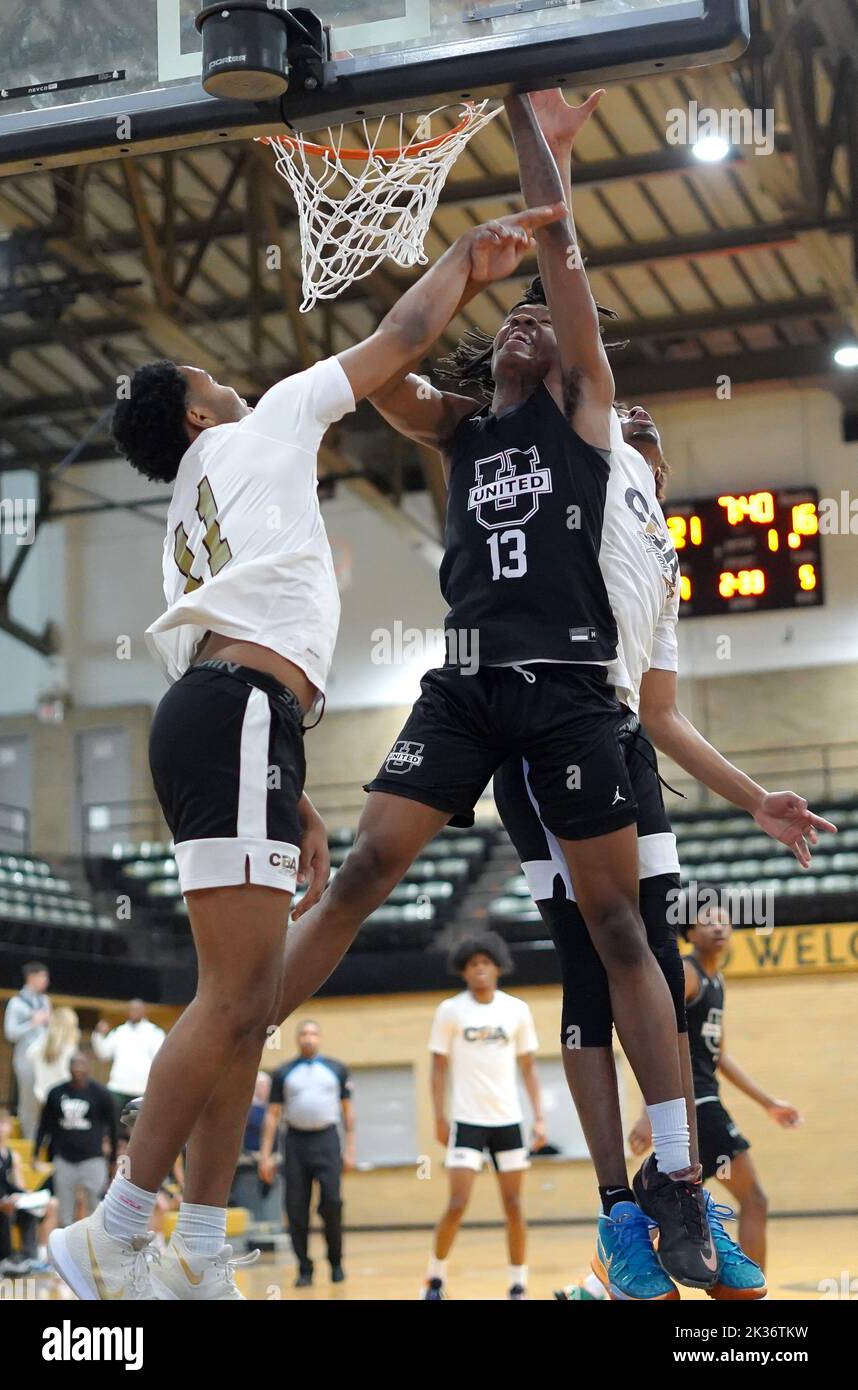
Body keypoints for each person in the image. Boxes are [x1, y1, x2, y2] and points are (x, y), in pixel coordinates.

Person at [47, 203, 557, 1302]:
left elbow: (231, 655)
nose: (230, 380)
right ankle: (111, 1229)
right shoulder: (264, 422)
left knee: (244, 1007)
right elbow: (400, 340)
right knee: (235, 1002)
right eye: (210, 376)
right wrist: (466, 260)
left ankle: (202, 1253)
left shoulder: (191, 503)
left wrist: (297, 800)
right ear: (196, 410)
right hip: (232, 717)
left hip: (232, 719)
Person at [267, 88, 720, 1288]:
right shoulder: (458, 426)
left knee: (619, 927)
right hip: (466, 687)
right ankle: (247, 1020)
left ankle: (672, 1178)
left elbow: (562, 258)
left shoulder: (585, 415)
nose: (531, 323)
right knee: (365, 867)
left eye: (541, 320)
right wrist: (456, 274)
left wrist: (536, 144)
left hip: (570, 687)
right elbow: (381, 372)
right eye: (510, 319)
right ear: (488, 347)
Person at [486, 88, 834, 1302]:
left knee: (657, 974)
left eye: (640, 415)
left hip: (623, 736)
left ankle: (671, 1195)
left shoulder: (660, 544)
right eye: (610, 399)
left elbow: (669, 710)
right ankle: (623, 1216)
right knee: (599, 961)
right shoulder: (574, 458)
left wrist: (755, 801)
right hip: (541, 719)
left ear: (660, 456)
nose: (623, 406)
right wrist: (553, 168)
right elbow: (567, 281)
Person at [628, 904, 801, 1272]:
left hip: (702, 1103)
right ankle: (751, 1289)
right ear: (689, 934)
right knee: (754, 1199)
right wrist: (647, 1112)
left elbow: (719, 1055)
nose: (719, 927)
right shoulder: (687, 974)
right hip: (697, 1106)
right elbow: (654, 1040)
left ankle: (594, 1286)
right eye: (708, 922)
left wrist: (768, 1103)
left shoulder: (716, 982)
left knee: (669, 1216)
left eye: (724, 921)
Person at [424, 935, 544, 1301]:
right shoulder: (450, 1010)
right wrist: (439, 1117)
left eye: (485, 962)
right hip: (467, 1122)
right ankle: (434, 1279)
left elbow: (528, 1069)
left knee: (514, 1205)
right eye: (472, 963)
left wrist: (539, 1117)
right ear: (463, 970)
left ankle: (518, 1284)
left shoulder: (517, 1010)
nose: (479, 968)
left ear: (497, 966)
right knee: (458, 1204)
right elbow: (437, 1068)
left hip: (509, 1122)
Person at [258, 1020, 354, 1287]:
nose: (308, 1038)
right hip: (296, 1143)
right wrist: (266, 1155)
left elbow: (348, 1112)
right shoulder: (284, 1072)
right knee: (296, 1208)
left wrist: (351, 1150)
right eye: (303, 1034)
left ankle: (335, 1262)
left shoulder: (336, 1069)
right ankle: (304, 1268)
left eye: (313, 1033)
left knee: (332, 1203)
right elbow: (272, 1115)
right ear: (297, 1039)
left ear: (319, 1038)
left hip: (327, 1140)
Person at [35, 1054, 117, 1230]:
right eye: (74, 1064)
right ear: (68, 1067)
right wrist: (36, 1153)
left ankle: (95, 1248)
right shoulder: (56, 1093)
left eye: (82, 1064)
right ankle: (65, 1251)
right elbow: (44, 1125)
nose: (78, 1068)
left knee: (97, 1208)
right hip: (64, 1158)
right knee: (64, 1211)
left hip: (93, 1158)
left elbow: (113, 1127)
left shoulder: (100, 1093)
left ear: (88, 1067)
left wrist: (112, 1159)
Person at [0, 1110, 58, 1276]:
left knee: (31, 1209)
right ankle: (3, 1259)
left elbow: (9, 1184)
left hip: (3, 1202)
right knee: (3, 1212)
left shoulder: (7, 1154)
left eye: (2, 1124)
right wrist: (0, 1204)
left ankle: (33, 1256)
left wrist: (24, 1195)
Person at [91, 1000, 166, 1138]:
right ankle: (116, 1157)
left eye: (137, 1010)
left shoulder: (154, 1033)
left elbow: (161, 1060)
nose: (133, 1013)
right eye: (131, 1010)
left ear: (144, 1012)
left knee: (136, 1132)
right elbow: (104, 1054)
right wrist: (98, 1035)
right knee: (114, 1128)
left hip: (140, 1090)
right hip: (118, 1088)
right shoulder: (120, 1031)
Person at [3, 961, 50, 1142]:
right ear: (32, 977)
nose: (46, 981)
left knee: (44, 1098)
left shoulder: (45, 1001)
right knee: (28, 1099)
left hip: (44, 1058)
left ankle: (42, 1137)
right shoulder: (16, 1003)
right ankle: (29, 1139)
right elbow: (10, 1033)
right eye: (43, 977)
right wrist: (32, 1023)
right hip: (25, 1058)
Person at [230, 1071, 279, 1221]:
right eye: (262, 1086)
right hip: (247, 1161)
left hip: (271, 1160)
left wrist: (271, 1157)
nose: (266, 1089)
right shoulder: (245, 1108)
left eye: (267, 1086)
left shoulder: (273, 1109)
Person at [26, 1007, 81, 1107]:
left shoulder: (41, 1043)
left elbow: (29, 1055)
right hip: (63, 1098)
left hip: (41, 1095)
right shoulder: (69, 1048)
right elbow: (67, 1076)